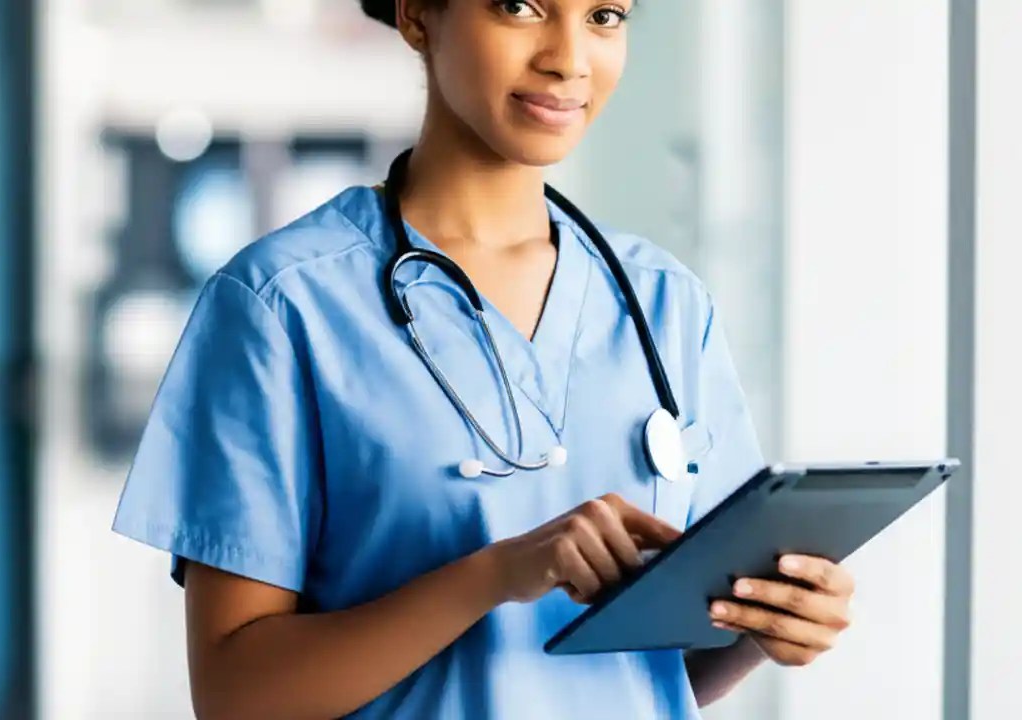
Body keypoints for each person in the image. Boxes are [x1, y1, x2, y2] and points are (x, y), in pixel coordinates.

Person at [112, 0, 856, 717]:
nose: (568, 59)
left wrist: (766, 626)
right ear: (416, 15)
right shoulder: (281, 303)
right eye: (519, 6)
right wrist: (495, 574)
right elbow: (238, 696)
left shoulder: (666, 305)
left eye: (605, 17)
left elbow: (664, 672)